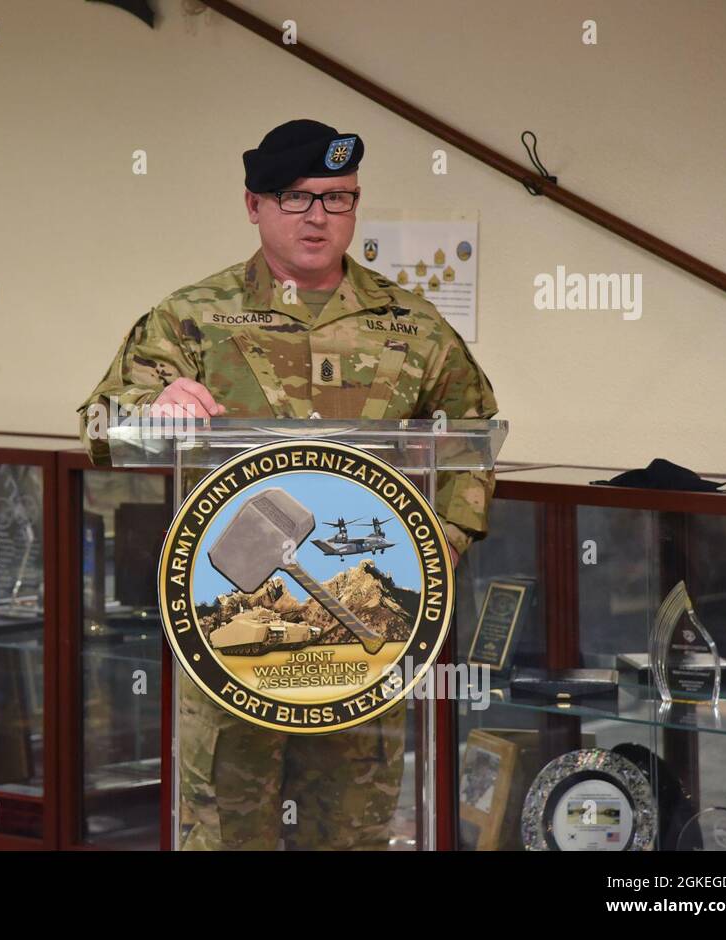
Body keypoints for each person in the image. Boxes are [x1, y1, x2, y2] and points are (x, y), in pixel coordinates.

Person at [77, 119, 499, 850]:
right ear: (254, 205)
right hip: (230, 634)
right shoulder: (191, 320)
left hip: (359, 649)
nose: (318, 218)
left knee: (351, 833)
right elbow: (99, 428)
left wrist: (446, 540)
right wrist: (156, 408)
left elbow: (473, 435)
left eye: (339, 199)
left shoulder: (412, 326)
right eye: (296, 198)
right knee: (226, 834)